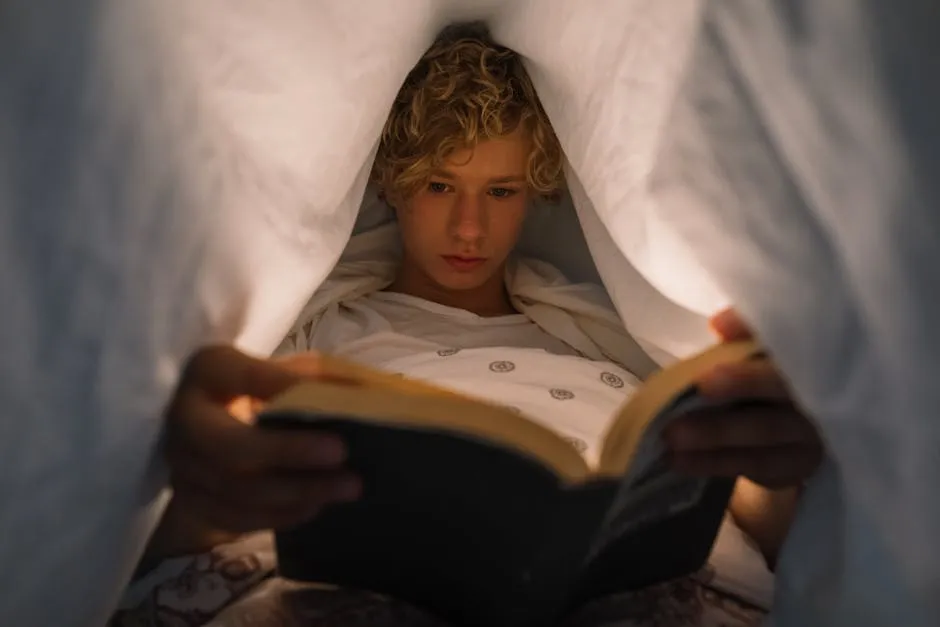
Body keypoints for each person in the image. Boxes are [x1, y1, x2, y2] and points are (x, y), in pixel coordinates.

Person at [145, 26, 822, 618]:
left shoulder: (611, 343)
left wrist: (771, 464)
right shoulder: (314, 341)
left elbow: (756, 524)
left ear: (535, 192)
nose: (470, 228)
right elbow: (175, 535)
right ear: (393, 183)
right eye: (440, 185)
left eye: (501, 192)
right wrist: (204, 504)